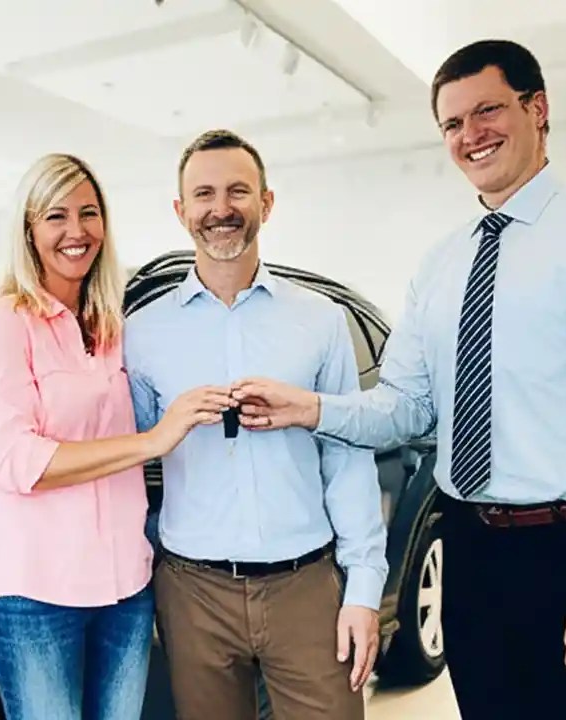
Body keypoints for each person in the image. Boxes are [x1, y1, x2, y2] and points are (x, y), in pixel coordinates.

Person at [232, 40, 566, 719]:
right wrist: (310, 407)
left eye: (487, 111)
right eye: (451, 123)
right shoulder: (444, 263)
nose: (470, 135)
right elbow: (405, 409)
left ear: (537, 109)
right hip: (470, 550)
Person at [0, 152, 234, 720]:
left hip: (124, 585)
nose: (76, 232)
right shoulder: (3, 323)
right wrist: (154, 440)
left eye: (89, 213)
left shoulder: (110, 326)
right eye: (56, 216)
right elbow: (18, 461)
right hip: (36, 592)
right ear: (29, 230)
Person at [124, 129, 388, 720]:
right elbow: (133, 464)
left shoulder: (319, 321)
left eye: (238, 191)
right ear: (180, 210)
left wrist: (365, 592)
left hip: (307, 588)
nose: (221, 209)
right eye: (204, 194)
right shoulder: (142, 333)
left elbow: (346, 459)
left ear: (266, 203)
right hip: (193, 595)